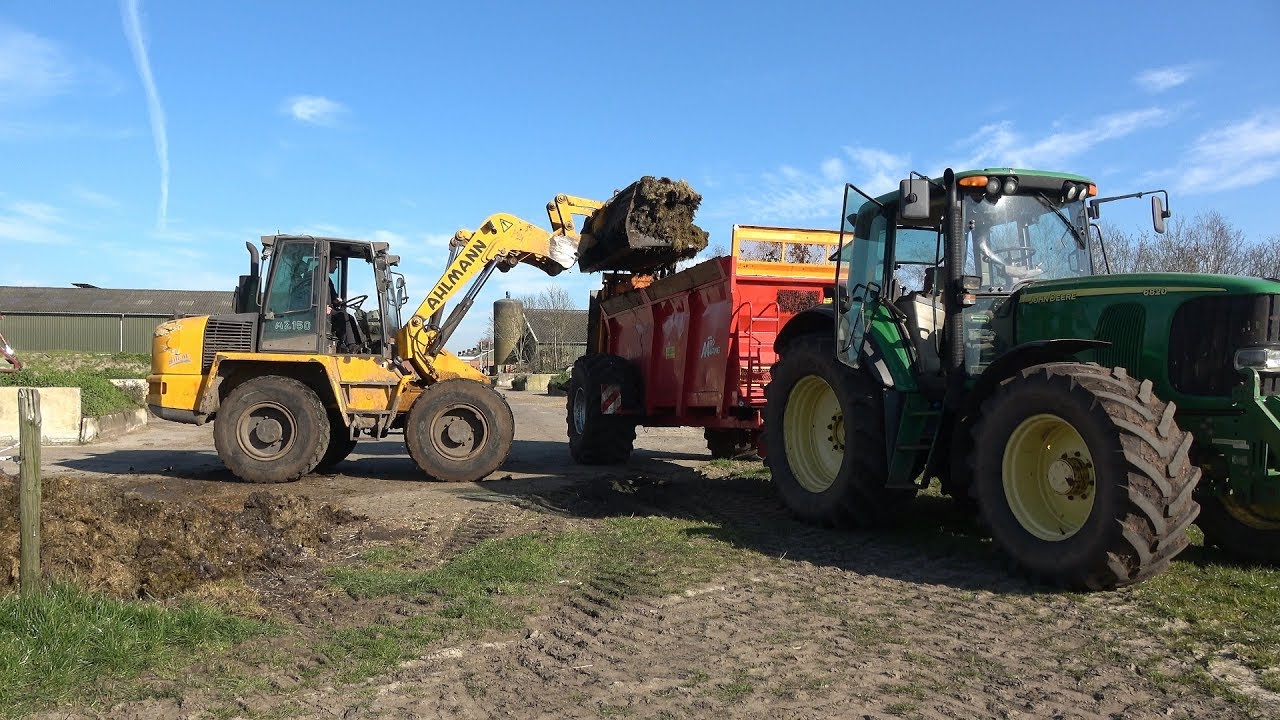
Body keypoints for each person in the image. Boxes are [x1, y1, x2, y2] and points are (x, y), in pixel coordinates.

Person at [327, 256, 359, 352]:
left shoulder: (328, 280)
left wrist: (337, 300)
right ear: (328, 262)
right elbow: (308, 295)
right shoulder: (314, 277)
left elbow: (333, 297)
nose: (336, 266)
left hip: (329, 310)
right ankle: (350, 346)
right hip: (318, 313)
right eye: (335, 263)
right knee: (342, 315)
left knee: (350, 317)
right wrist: (321, 308)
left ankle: (357, 345)